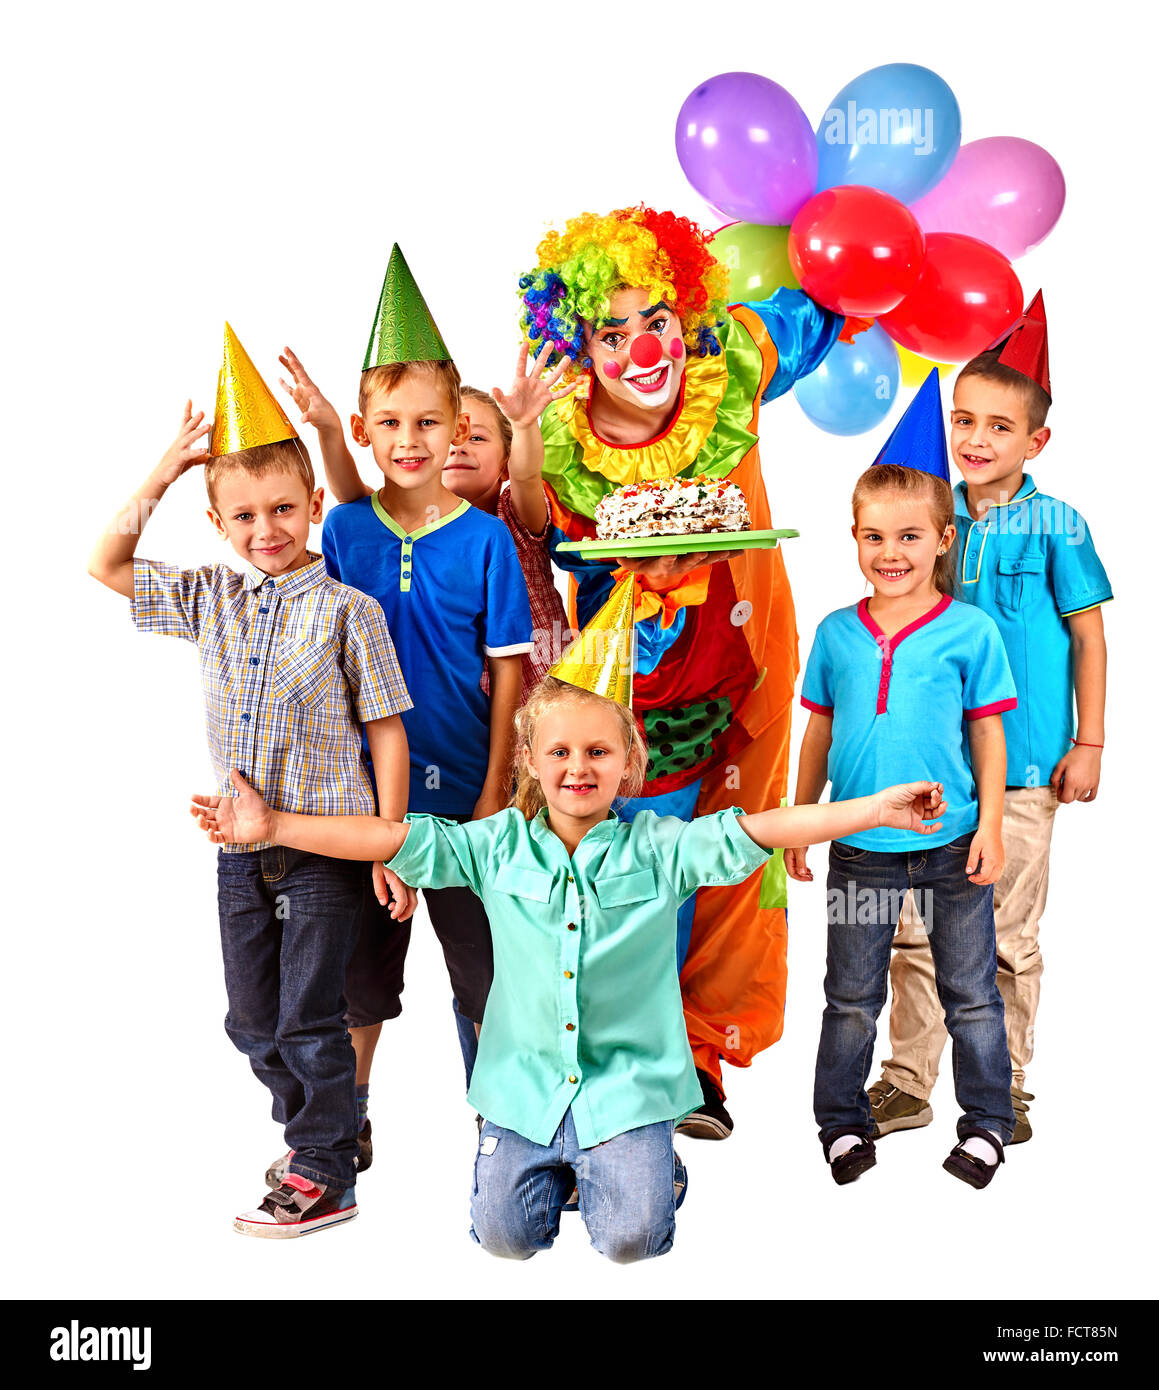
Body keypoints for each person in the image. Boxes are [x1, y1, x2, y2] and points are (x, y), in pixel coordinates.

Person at [190, 597, 948, 1259]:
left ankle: (648, 1167)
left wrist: (874, 810)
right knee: (505, 1239)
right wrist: (275, 824)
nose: (578, 768)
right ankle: (568, 1169)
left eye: (598, 752)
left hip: (628, 1090)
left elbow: (767, 826)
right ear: (530, 760)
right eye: (559, 752)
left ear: (629, 764)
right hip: (524, 1094)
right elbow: (386, 839)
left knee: (628, 1242)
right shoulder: (494, 847)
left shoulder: (661, 848)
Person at [516, 204, 846, 1137]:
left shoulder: (728, 369)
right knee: (635, 884)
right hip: (629, 707)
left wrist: (864, 259)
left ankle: (700, 1059)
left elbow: (826, 302)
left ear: (687, 315)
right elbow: (539, 531)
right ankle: (621, 1061)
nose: (642, 349)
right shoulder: (565, 443)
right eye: (610, 333)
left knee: (738, 875)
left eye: (657, 319)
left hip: (744, 683)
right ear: (576, 346)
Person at [87, 325, 414, 1236]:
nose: (265, 530)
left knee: (312, 1018)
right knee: (251, 1026)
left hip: (323, 852)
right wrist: (160, 473)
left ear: (313, 505)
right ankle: (332, 1125)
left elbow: (386, 731)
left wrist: (392, 847)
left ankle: (320, 1167)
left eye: (282, 508)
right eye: (244, 516)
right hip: (240, 849)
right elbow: (105, 564)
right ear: (218, 524)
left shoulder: (351, 611)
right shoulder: (212, 599)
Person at [276, 247, 533, 1150]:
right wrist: (319, 438)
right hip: (357, 800)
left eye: (433, 421)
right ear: (365, 428)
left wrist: (497, 787)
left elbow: (508, 673)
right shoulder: (344, 529)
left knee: (485, 971)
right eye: (391, 422)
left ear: (460, 426)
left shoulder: (490, 541)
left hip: (464, 792)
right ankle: (347, 1119)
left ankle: (503, 1121)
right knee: (357, 975)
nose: (415, 439)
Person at [867, 295, 1112, 1145]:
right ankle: (906, 1080)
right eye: (964, 418)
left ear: (1035, 442)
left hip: (1030, 763)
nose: (975, 439)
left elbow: (1087, 636)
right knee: (910, 932)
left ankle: (1003, 1085)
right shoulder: (931, 514)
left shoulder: (1058, 525)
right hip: (934, 765)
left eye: (999, 427)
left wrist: (1089, 742)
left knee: (1006, 932)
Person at [786, 378, 1019, 1188]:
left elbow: (987, 732)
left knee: (971, 992)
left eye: (910, 537)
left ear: (943, 539)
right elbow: (816, 728)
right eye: (873, 537)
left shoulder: (970, 632)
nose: (891, 554)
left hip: (949, 845)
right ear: (853, 538)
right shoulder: (837, 634)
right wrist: (801, 818)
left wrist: (989, 823)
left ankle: (988, 1120)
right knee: (850, 996)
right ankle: (841, 1122)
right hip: (857, 849)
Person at [281, 340, 573, 702]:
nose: (457, 448)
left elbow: (528, 475)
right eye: (445, 437)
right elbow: (354, 498)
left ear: (506, 459)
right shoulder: (412, 523)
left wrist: (524, 423)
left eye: (478, 438)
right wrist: (329, 431)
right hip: (475, 702)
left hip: (545, 697)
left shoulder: (514, 516)